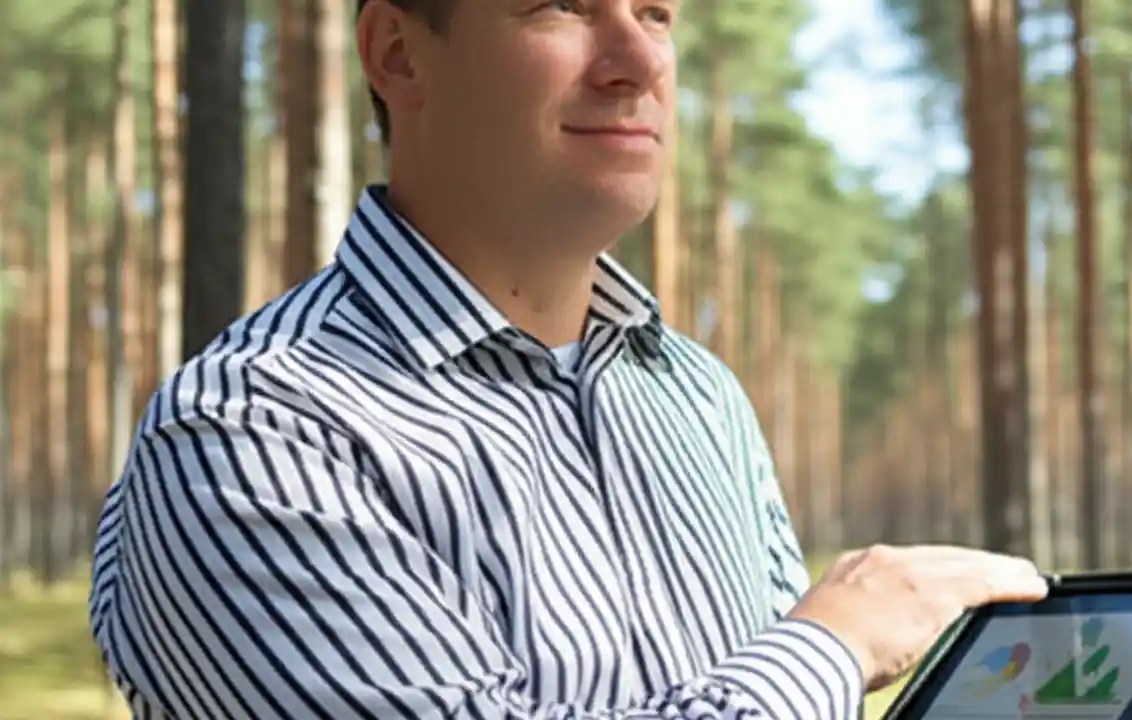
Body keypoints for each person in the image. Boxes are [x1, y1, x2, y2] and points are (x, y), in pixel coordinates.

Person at [86, 0, 1048, 717]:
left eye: (657, 13)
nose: (638, 61)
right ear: (397, 53)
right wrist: (832, 647)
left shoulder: (695, 397)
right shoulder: (253, 429)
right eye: (562, 7)